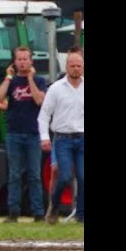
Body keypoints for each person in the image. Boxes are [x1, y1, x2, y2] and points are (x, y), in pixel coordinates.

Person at [0, 47, 48, 223]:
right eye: (19, 59)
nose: (23, 62)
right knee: (14, 174)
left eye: (25, 59)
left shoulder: (39, 80)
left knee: (34, 175)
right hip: (14, 134)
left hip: (33, 133)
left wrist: (30, 77)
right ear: (14, 62)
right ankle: (13, 212)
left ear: (31, 61)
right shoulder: (12, 82)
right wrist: (8, 77)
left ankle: (38, 213)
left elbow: (39, 100)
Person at [38, 49, 84, 224]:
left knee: (82, 176)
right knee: (64, 176)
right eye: (72, 65)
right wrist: (44, 137)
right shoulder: (56, 89)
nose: (75, 69)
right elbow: (44, 115)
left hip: (82, 138)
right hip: (62, 139)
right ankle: (54, 205)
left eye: (78, 66)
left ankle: (81, 214)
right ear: (66, 67)